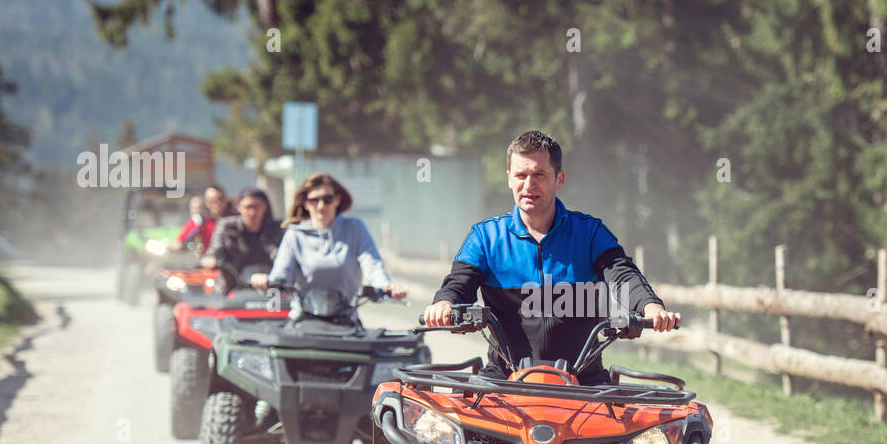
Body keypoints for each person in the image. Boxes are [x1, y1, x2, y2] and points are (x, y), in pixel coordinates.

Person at [422, 130, 680, 382]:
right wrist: (445, 303)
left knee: (660, 423)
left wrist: (651, 307)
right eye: (521, 175)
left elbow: (622, 276)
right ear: (509, 179)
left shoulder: (590, 234)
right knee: (450, 422)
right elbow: (459, 283)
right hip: (504, 379)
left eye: (540, 175)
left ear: (559, 179)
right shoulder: (485, 238)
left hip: (584, 380)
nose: (529, 185)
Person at [253, 173, 407, 303]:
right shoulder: (294, 234)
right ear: (306, 203)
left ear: (337, 200)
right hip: (304, 320)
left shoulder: (354, 228)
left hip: (347, 319)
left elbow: (372, 265)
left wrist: (386, 287)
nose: (321, 206)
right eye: (314, 200)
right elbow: (281, 274)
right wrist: (266, 282)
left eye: (327, 199)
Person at [202, 187, 285, 287]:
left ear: (265, 207)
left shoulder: (277, 229)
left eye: (257, 207)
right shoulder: (226, 226)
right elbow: (215, 249)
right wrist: (210, 259)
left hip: (269, 286)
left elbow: (285, 258)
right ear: (239, 207)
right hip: (233, 286)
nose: (252, 212)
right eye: (248, 207)